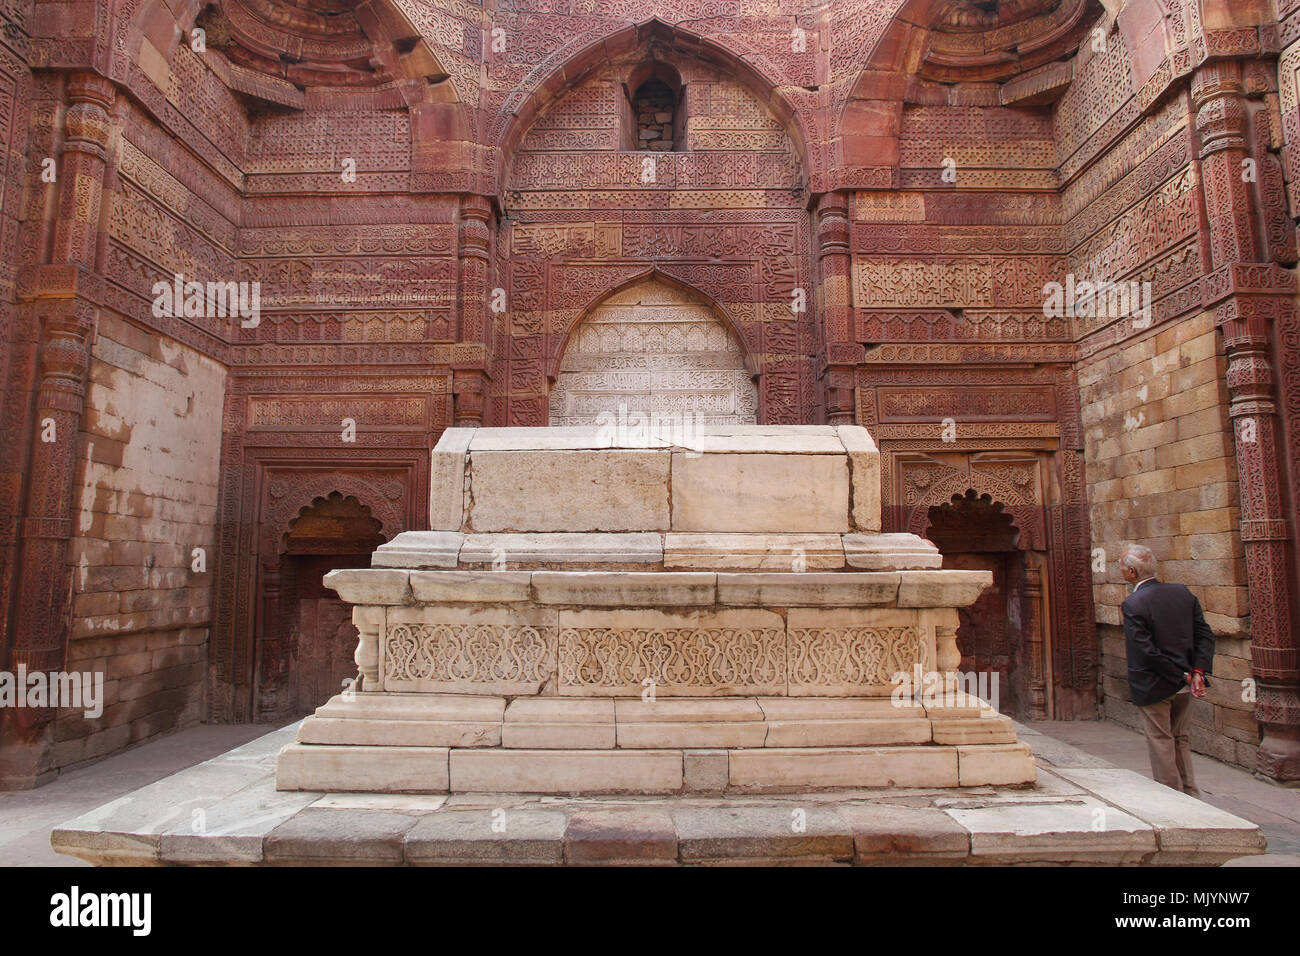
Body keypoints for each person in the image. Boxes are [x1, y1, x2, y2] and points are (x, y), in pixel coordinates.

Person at [1119, 544, 1214, 798]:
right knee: (1180, 737)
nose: (1120, 571)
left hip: (1155, 685)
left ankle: (1171, 797)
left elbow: (1145, 651)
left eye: (1121, 566)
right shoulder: (1182, 594)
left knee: (1161, 740)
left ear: (1131, 571)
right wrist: (1197, 673)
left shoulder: (1134, 603)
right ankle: (1191, 794)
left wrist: (1181, 675)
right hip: (1186, 683)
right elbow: (1204, 635)